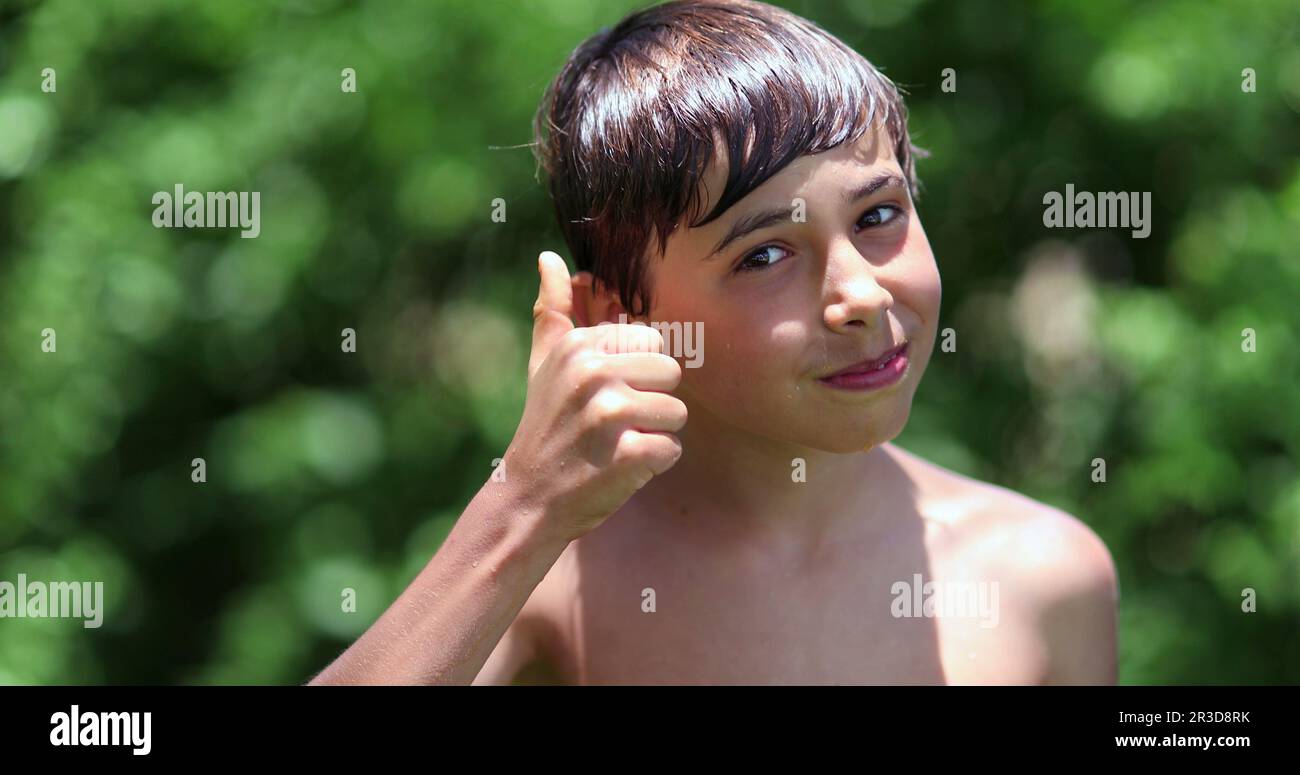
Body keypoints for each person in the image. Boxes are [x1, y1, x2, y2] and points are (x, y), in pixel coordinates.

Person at [310, 0, 1118, 685]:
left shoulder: (1042, 573)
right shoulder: (556, 578)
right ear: (617, 319)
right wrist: (521, 507)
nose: (861, 296)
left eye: (878, 215)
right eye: (764, 255)